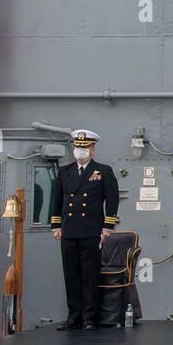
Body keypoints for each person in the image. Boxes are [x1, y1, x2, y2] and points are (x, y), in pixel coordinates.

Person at [49, 129, 119, 330]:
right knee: (71, 275)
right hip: (69, 231)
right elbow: (57, 201)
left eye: (85, 147)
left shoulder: (102, 171)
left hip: (91, 231)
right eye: (78, 147)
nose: (81, 150)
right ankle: (74, 316)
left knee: (89, 275)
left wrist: (107, 227)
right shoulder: (64, 172)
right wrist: (56, 225)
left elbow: (112, 200)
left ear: (92, 149)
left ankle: (89, 317)